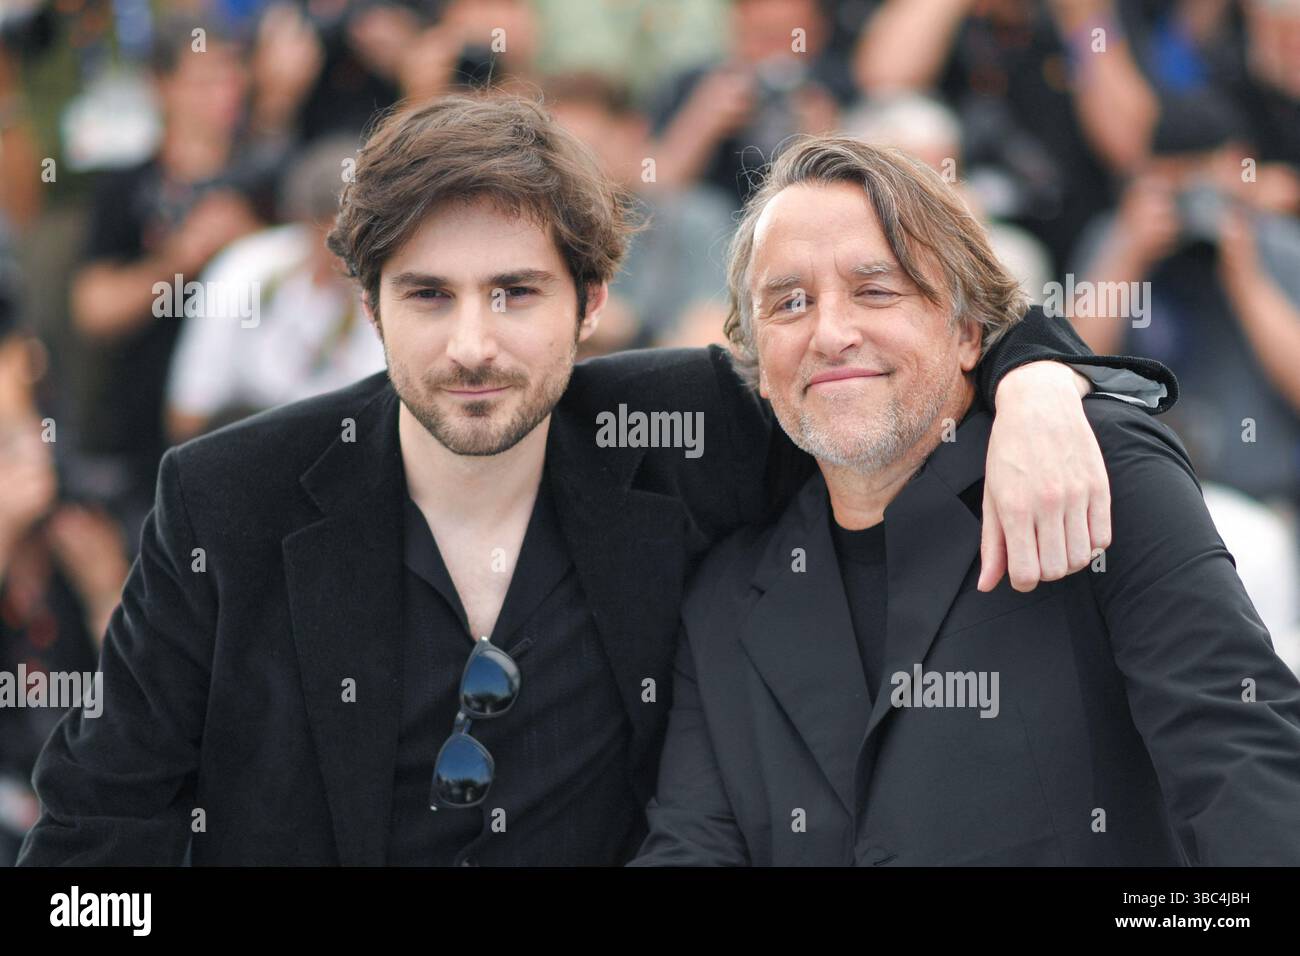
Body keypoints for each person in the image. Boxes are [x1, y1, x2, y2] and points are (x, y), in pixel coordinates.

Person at [18, 93, 1172, 867]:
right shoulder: (231, 496)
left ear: (590, 303)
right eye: (427, 295)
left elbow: (917, 345)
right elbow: (90, 835)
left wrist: (1031, 385)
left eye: (514, 292)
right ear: (368, 306)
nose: (472, 342)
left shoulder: (685, 426)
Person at [629, 136, 1300, 867]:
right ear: (758, 365)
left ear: (971, 332)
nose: (829, 334)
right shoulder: (724, 593)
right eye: (789, 303)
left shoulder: (1092, 464)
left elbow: (1239, 760)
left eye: (875, 289)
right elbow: (692, 846)